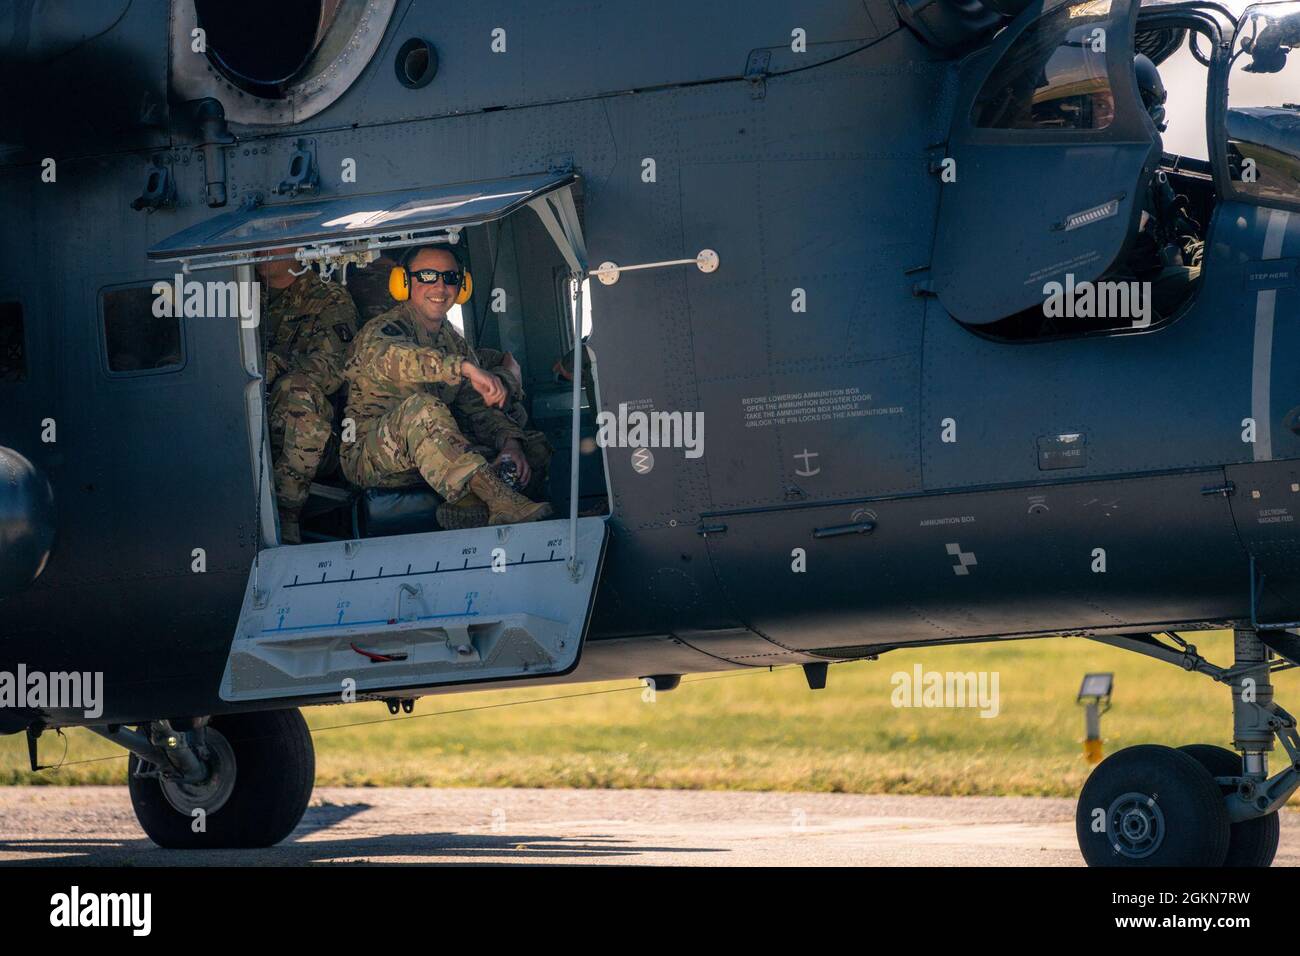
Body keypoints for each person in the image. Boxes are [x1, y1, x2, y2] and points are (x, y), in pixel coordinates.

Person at [341, 244, 553, 526]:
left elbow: (477, 407)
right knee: (423, 409)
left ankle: (472, 509)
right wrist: (463, 368)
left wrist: (510, 445)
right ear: (403, 283)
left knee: (533, 448)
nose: (440, 287)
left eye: (450, 278)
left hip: (434, 456)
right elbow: (403, 360)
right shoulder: (382, 332)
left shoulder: (451, 339)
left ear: (461, 286)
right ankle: (499, 500)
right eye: (427, 276)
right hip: (373, 456)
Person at [256, 248, 360, 544]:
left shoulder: (328, 299)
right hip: (246, 430)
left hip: (316, 437)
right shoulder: (235, 293)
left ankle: (283, 520)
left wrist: (277, 364)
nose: (262, 247)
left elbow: (334, 369)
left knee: (296, 390)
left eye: (273, 238)